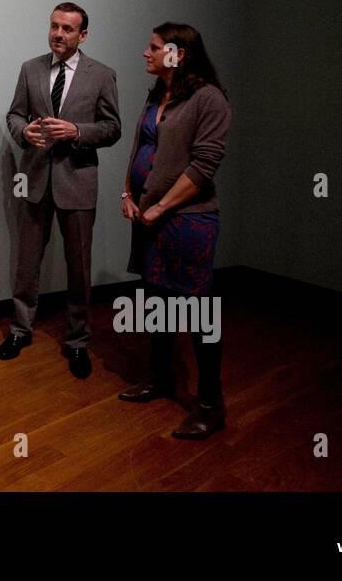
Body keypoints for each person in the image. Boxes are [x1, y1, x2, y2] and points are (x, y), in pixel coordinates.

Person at [118, 22, 231, 439]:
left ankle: (209, 403)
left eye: (152, 47)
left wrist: (162, 206)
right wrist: (127, 193)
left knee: (198, 313)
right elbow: (141, 147)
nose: (145, 53)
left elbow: (203, 166)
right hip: (149, 217)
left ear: (177, 53)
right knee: (156, 302)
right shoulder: (157, 94)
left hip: (188, 221)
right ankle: (161, 378)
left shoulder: (209, 99)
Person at [2, 3, 120, 377]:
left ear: (82, 35)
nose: (58, 34)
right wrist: (23, 132)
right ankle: (20, 331)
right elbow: (14, 114)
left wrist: (78, 132)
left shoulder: (101, 75)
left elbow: (113, 128)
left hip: (78, 181)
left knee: (79, 267)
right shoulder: (30, 69)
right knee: (27, 263)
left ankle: (78, 341)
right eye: (54, 26)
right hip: (35, 179)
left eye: (67, 29)